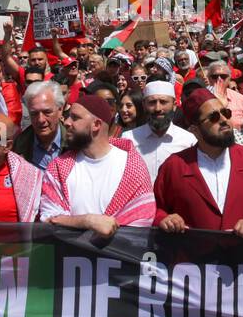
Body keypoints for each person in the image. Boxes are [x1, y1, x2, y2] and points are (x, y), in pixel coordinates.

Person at [154, 88, 243, 237]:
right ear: (195, 130)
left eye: (226, 113)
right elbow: (155, 209)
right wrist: (165, 219)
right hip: (192, 258)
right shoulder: (174, 166)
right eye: (214, 117)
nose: (224, 120)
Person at [39, 95, 156, 234]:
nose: (66, 122)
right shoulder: (58, 167)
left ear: (96, 125)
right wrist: (88, 221)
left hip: (116, 255)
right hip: (69, 254)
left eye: (75, 118)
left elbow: (142, 220)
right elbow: (49, 217)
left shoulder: (132, 166)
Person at [121, 81, 195, 181]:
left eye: (163, 102)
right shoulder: (128, 139)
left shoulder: (189, 141)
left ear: (174, 105)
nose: (158, 108)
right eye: (152, 102)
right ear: (143, 105)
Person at [13, 80, 67, 170]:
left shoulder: (75, 143)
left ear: (60, 110)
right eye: (34, 113)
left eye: (47, 112)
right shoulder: (18, 145)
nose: (41, 120)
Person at [204, 60, 243, 129]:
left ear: (229, 78)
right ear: (209, 79)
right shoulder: (203, 98)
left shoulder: (240, 98)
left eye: (223, 76)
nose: (219, 79)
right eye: (215, 77)